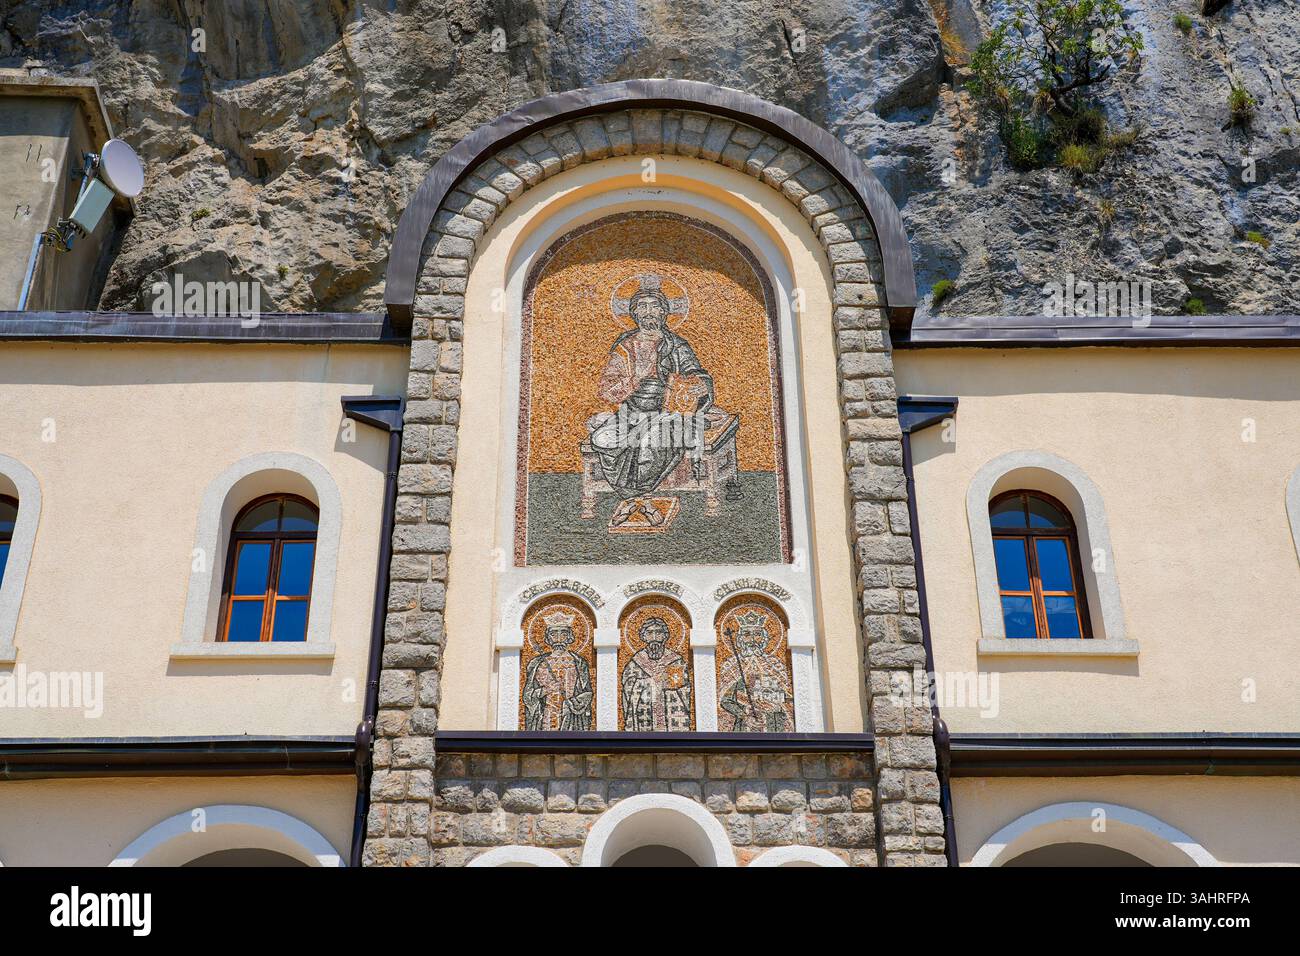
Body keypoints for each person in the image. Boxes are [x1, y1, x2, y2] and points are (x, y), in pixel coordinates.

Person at [522, 609, 593, 731]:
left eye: (563, 634)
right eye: (554, 634)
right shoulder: (537, 663)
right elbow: (527, 696)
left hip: (570, 715)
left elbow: (587, 692)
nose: (559, 638)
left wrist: (572, 704)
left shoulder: (579, 662)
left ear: (570, 636)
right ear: (548, 637)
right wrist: (544, 691)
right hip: (546, 715)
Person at [620, 615, 692, 731]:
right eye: (649, 632)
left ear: (665, 636)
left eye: (658, 632)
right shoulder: (636, 661)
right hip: (643, 718)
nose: (654, 637)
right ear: (643, 636)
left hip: (672, 719)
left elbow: (682, 686)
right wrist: (646, 683)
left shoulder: (675, 660)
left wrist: (660, 681)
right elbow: (627, 686)